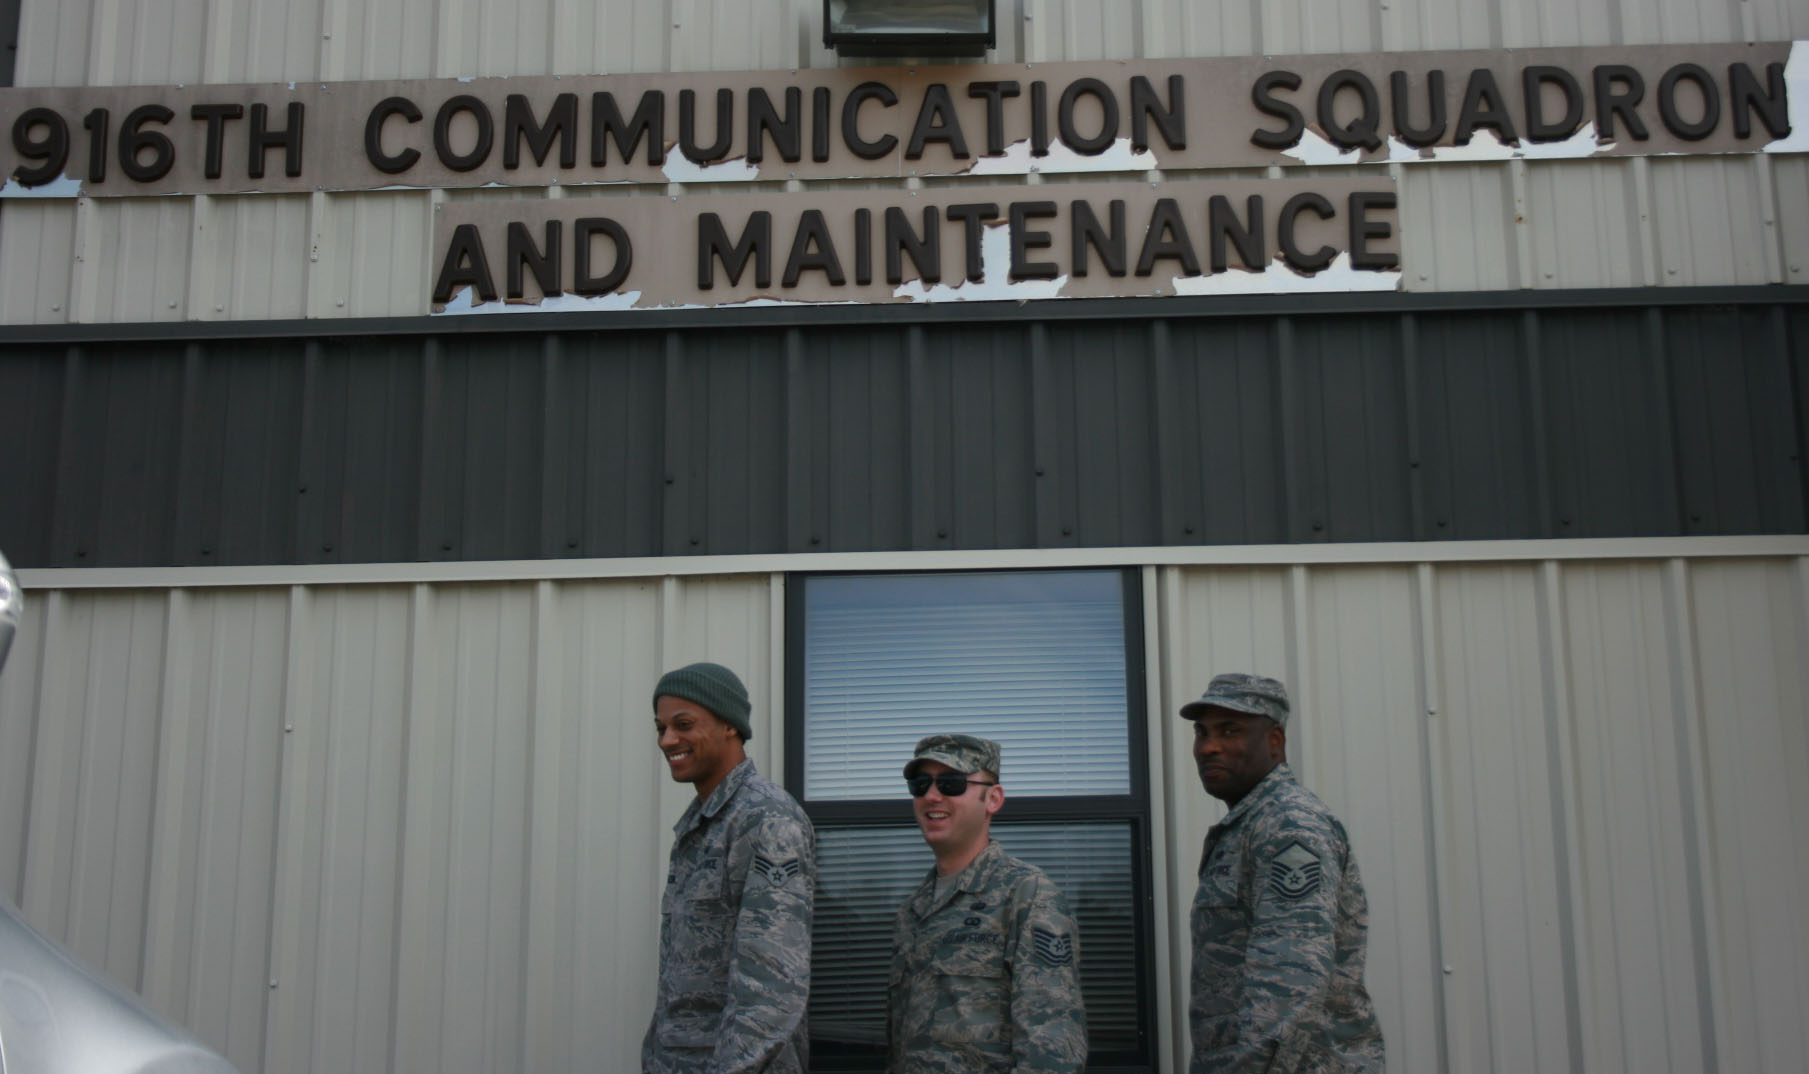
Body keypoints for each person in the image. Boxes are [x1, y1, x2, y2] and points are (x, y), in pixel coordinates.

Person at [1182, 673, 1386, 1074]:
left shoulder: (1288, 825)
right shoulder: (1250, 824)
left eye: (1229, 730)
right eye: (1201, 732)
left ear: (1275, 740)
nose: (1208, 747)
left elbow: (1289, 981)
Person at [644, 662, 817, 1074]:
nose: (667, 740)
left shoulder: (765, 819)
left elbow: (771, 988)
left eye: (683, 724)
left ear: (730, 726)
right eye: (661, 728)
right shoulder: (701, 824)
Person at [886, 734, 1087, 1074]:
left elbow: (1053, 1051)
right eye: (920, 785)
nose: (932, 795)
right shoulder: (913, 910)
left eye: (951, 783)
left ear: (993, 799)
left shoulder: (1027, 895)